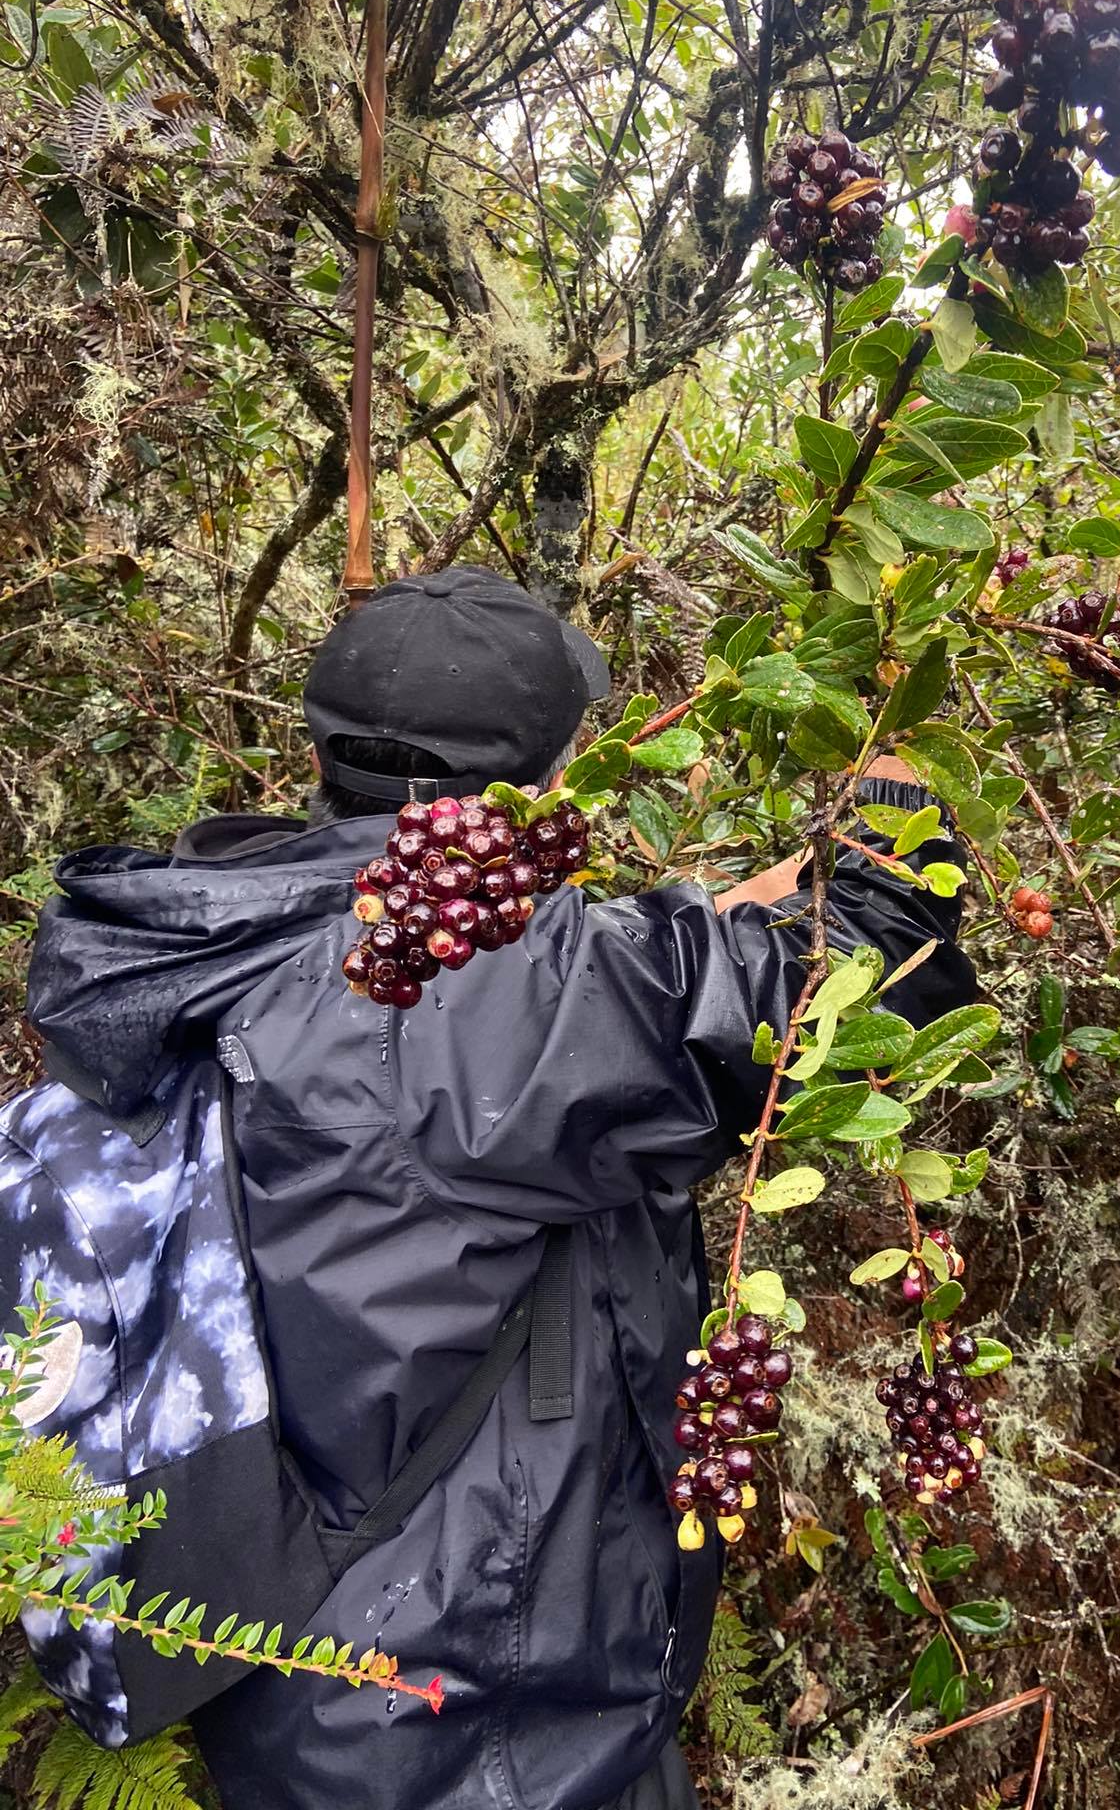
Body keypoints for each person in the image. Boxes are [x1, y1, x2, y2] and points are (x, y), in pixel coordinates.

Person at [22, 566, 977, 1810]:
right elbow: (871, 969)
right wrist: (901, 763)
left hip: (305, 1673)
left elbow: (603, 999)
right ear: (543, 770)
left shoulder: (238, 923)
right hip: (488, 1720)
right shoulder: (484, 1001)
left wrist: (711, 912)